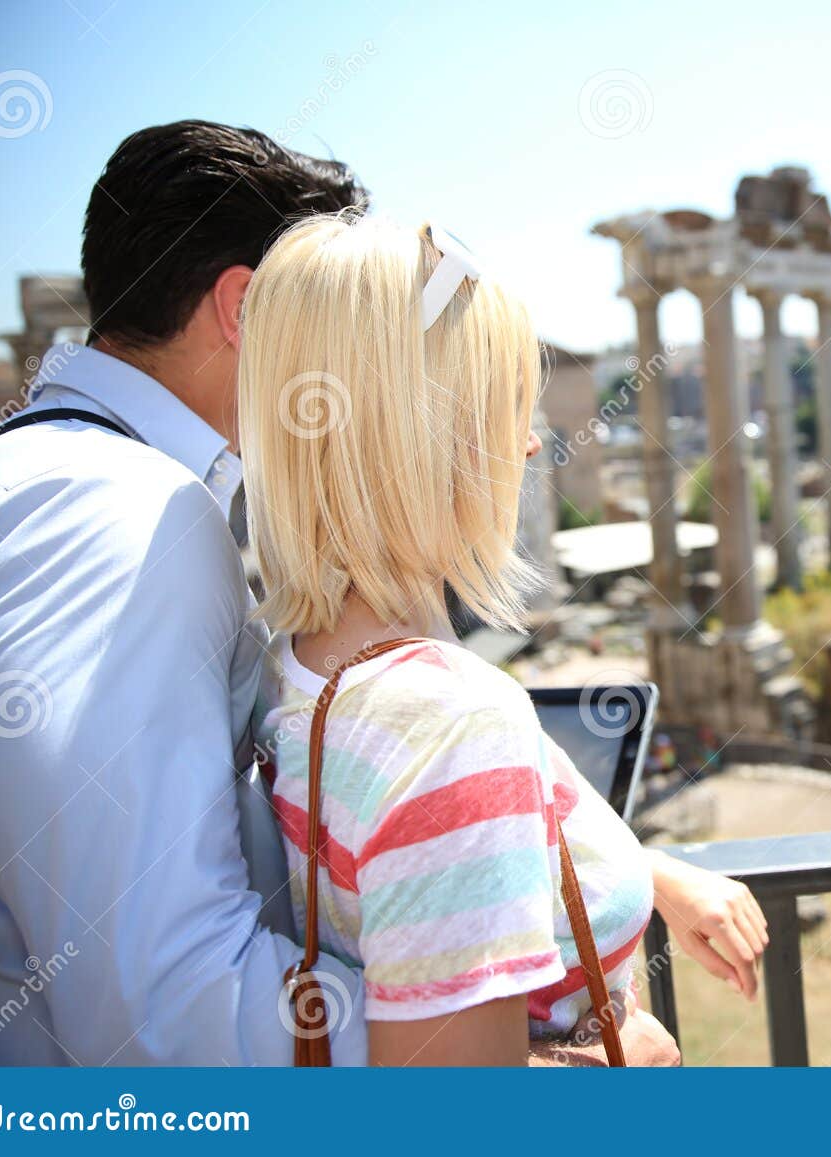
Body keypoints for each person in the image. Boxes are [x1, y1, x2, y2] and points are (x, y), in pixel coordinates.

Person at [0, 121, 761, 1067]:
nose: (534, 445)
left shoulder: (288, 638)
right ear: (251, 311)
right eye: (509, 409)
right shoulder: (118, 514)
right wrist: (575, 1058)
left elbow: (360, 832)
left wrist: (587, 867)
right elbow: (159, 1002)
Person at [241, 213, 677, 1063]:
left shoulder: (283, 666)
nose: (533, 439)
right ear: (424, 438)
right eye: (510, 405)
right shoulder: (453, 720)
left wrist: (663, 876)